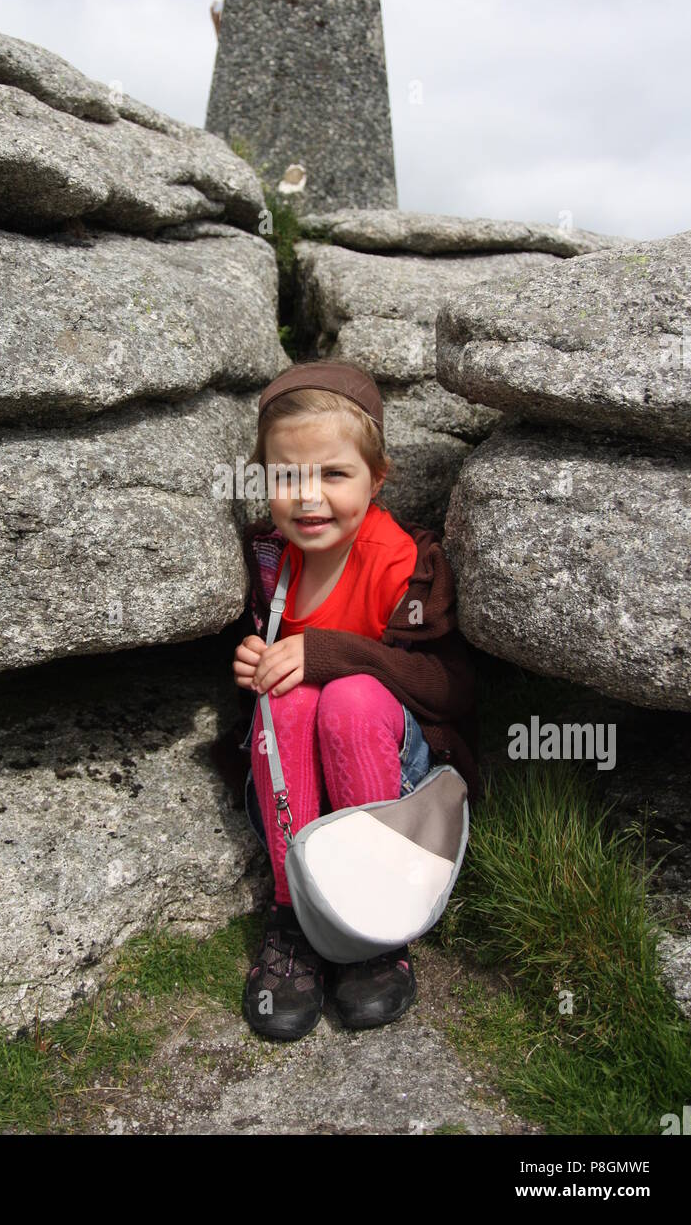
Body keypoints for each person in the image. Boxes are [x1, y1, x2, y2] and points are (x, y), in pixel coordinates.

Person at [231, 359, 479, 1042]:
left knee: (352, 699)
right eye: (287, 477)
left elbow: (449, 686)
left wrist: (329, 653)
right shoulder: (270, 559)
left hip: (388, 778)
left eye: (334, 475)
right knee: (285, 704)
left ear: (378, 478)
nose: (309, 499)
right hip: (298, 787)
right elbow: (273, 670)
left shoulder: (404, 563)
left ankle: (375, 922)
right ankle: (296, 917)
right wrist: (258, 659)